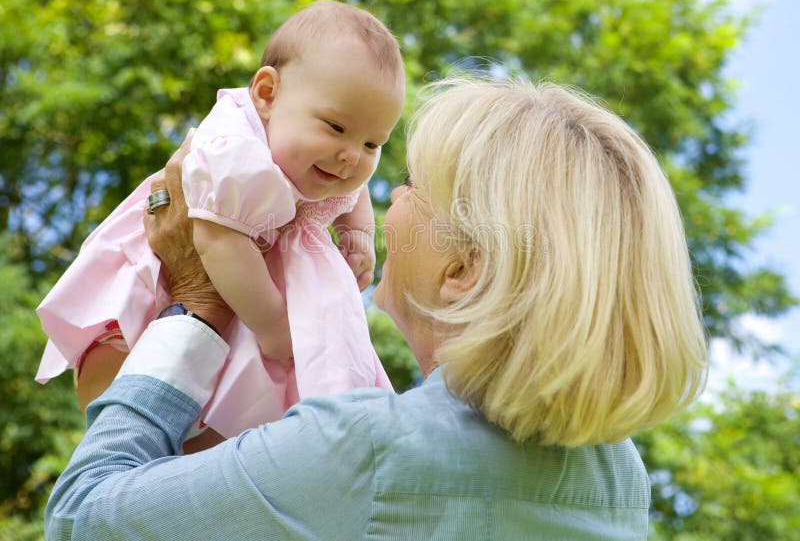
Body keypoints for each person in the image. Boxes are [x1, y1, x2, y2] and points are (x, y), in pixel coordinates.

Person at [46, 77, 708, 540]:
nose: (390, 193)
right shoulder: (618, 472)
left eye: (417, 185)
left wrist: (194, 307)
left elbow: (80, 518)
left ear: (463, 270)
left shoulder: (366, 449)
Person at [35, 0, 405, 444]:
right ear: (266, 94)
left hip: (250, 280)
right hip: (197, 275)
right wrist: (272, 327)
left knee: (260, 403)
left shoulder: (324, 156)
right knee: (145, 361)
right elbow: (218, 242)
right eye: (336, 127)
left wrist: (357, 233)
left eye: (372, 142)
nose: (352, 156)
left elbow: (355, 190)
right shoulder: (235, 151)